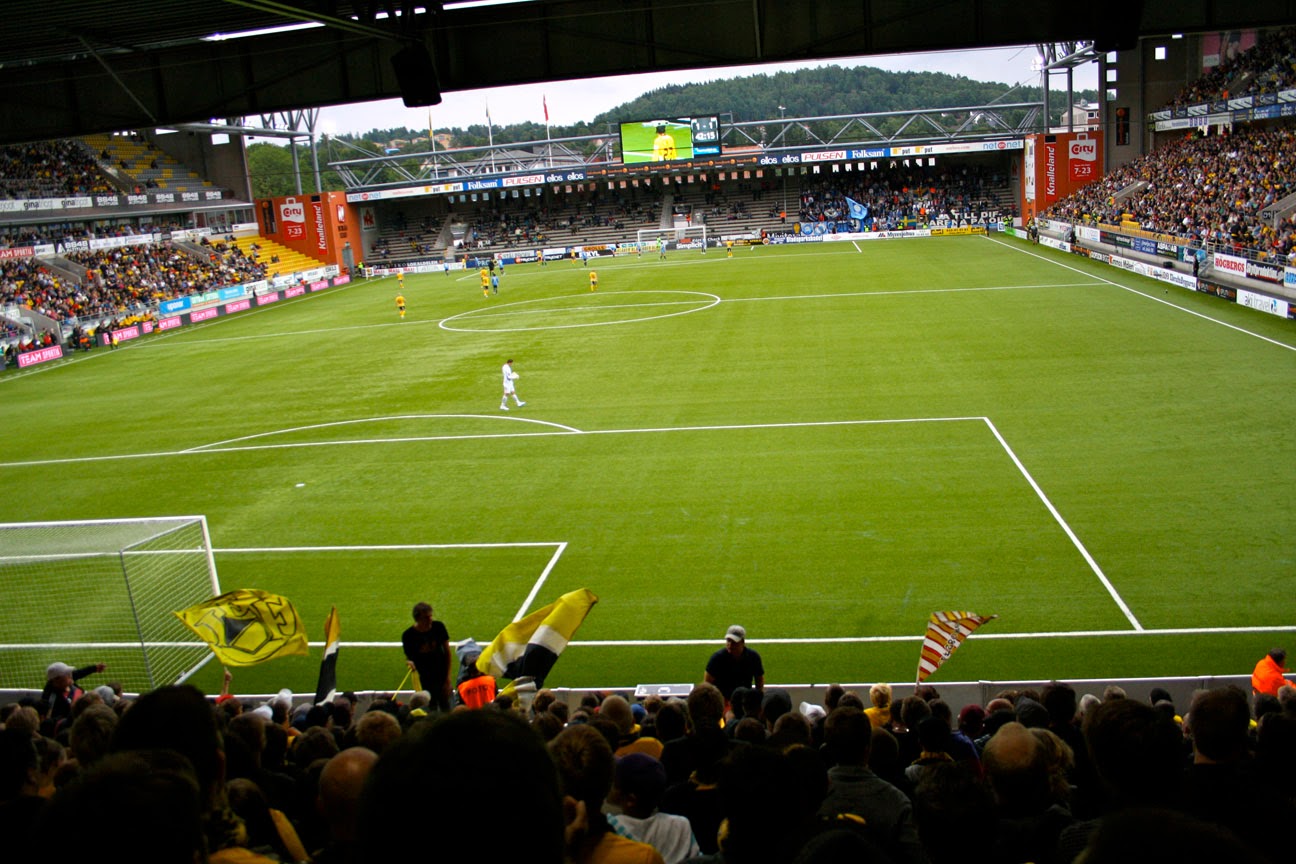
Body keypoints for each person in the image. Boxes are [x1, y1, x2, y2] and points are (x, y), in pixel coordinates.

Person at [400, 602, 451, 712]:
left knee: (447, 708)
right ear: (417, 618)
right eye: (426, 617)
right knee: (429, 709)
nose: (430, 619)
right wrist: (409, 662)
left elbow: (447, 652)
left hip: (441, 676)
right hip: (425, 679)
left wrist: (447, 679)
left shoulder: (438, 627)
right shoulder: (408, 636)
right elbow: (409, 657)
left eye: (430, 616)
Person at [703, 625, 764, 703]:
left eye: (734, 642)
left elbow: (759, 680)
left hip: (744, 700)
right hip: (722, 701)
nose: (730, 645)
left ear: (742, 642)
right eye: (728, 641)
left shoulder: (753, 657)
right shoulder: (717, 658)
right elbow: (707, 684)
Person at [42, 661, 106, 725]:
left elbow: (78, 673)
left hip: (89, 710)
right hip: (83, 721)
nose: (70, 674)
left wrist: (94, 668)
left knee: (105, 690)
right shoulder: (53, 699)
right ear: (57, 680)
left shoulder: (68, 684)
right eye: (67, 673)